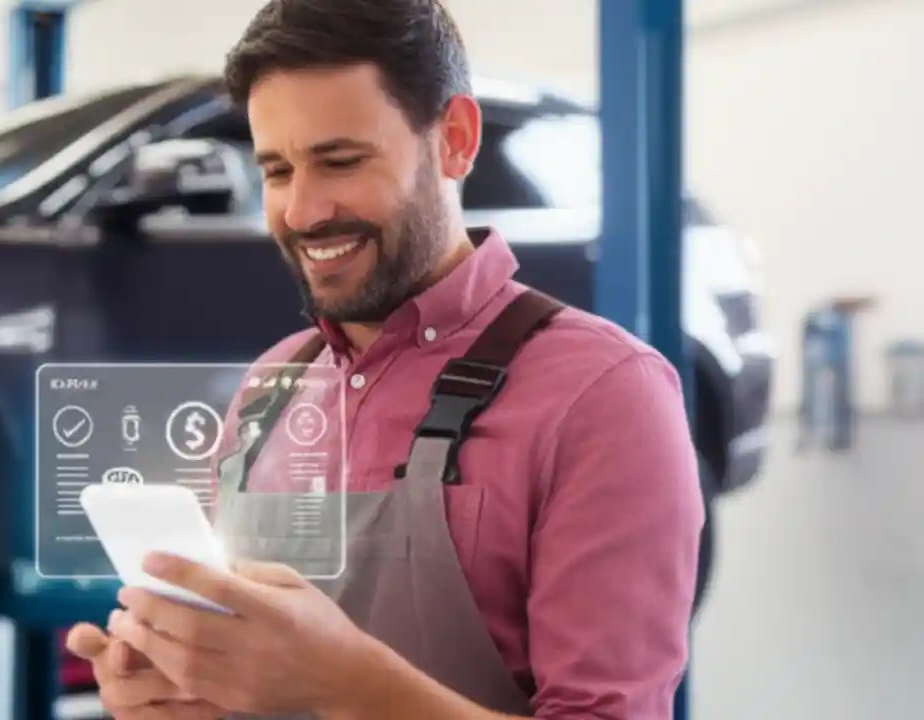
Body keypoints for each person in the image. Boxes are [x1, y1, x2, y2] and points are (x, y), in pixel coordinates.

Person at [67, 0, 704, 718]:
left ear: (455, 140)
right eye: (277, 171)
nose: (304, 212)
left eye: (340, 161)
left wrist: (348, 685)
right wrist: (180, 696)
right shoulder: (270, 390)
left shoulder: (603, 395)